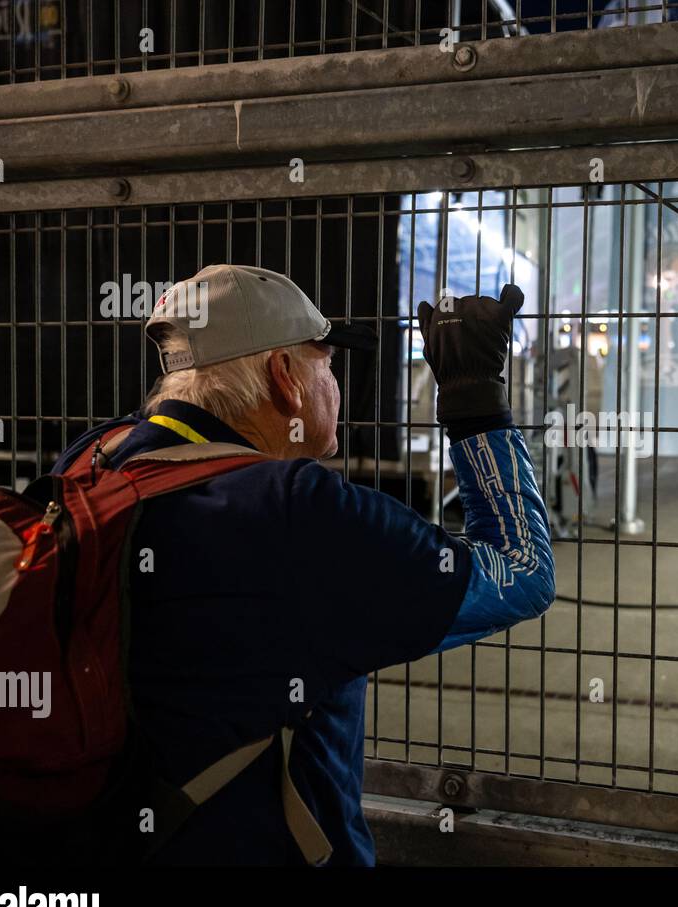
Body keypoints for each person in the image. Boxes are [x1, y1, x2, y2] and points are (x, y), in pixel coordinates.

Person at [48, 264, 554, 865]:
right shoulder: (301, 516)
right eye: (327, 364)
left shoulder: (90, 462)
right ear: (284, 378)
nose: (336, 385)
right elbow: (521, 573)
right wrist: (476, 407)